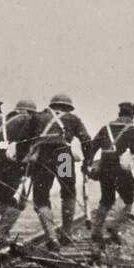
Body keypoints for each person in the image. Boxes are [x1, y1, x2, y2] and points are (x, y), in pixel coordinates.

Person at [27, 92, 93, 250]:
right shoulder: (73, 119)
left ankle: (51, 237)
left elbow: (24, 140)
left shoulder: (37, 117)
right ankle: (67, 233)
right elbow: (87, 140)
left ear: (52, 105)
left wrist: (25, 162)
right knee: (68, 192)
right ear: (68, 107)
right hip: (63, 155)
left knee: (41, 197)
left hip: (43, 156)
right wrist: (87, 162)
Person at [88, 101, 134, 253]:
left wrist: (87, 164)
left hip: (105, 169)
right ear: (132, 115)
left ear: (119, 113)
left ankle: (96, 232)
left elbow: (93, 146)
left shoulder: (106, 128)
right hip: (122, 171)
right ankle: (114, 227)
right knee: (129, 199)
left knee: (106, 199)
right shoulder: (133, 129)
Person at [0, 98, 39, 243]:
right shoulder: (27, 120)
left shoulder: (1, 121)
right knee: (18, 200)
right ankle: (1, 232)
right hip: (12, 166)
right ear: (30, 112)